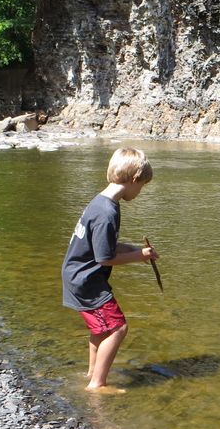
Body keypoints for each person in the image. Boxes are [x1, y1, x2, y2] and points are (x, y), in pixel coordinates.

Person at [62, 147, 158, 393]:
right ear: (134, 180)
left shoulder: (100, 202)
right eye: (142, 186)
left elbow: (106, 245)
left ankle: (93, 373)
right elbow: (105, 258)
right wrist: (139, 256)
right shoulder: (107, 212)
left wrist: (135, 249)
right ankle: (97, 385)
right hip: (87, 280)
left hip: (77, 275)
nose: (139, 192)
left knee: (100, 329)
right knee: (117, 328)